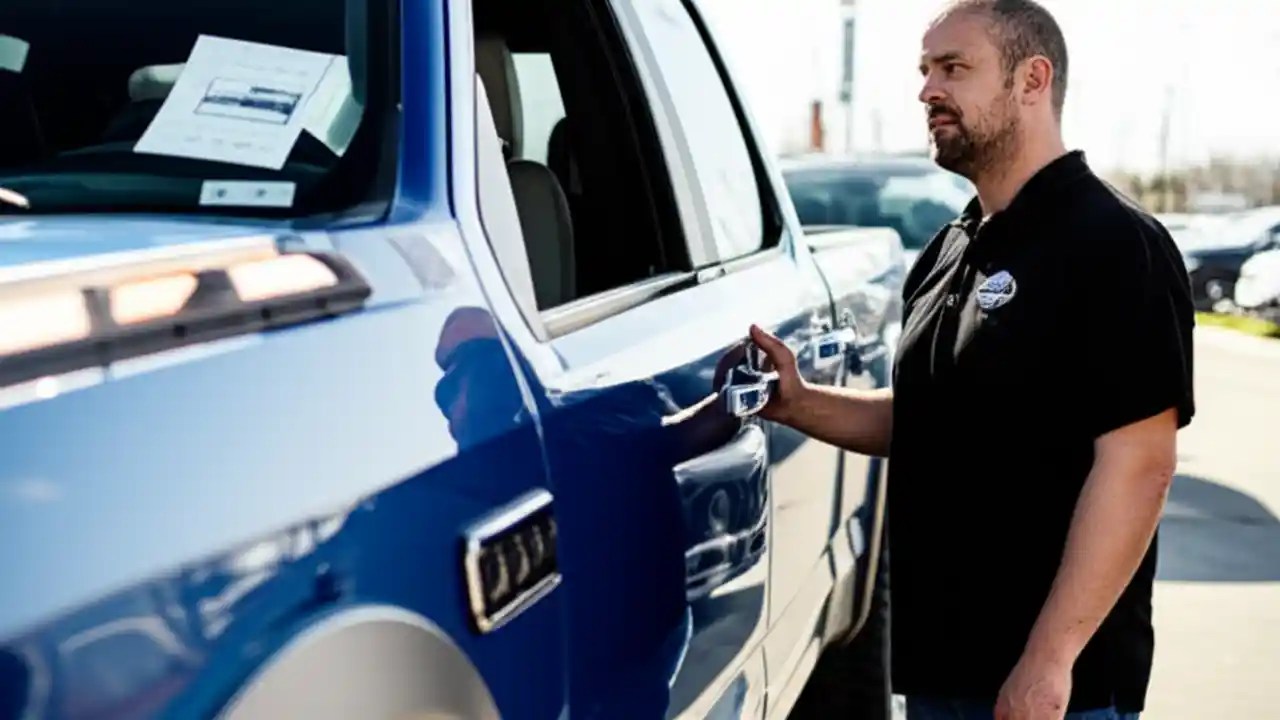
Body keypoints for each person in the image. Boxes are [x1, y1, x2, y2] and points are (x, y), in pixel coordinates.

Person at [749, 1, 1195, 719]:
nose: (928, 90)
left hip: (1053, 689)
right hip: (942, 673)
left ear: (1032, 79)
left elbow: (1140, 464)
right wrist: (800, 402)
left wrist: (1048, 662)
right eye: (926, 70)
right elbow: (936, 419)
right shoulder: (955, 244)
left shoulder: (1112, 243)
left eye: (954, 68)